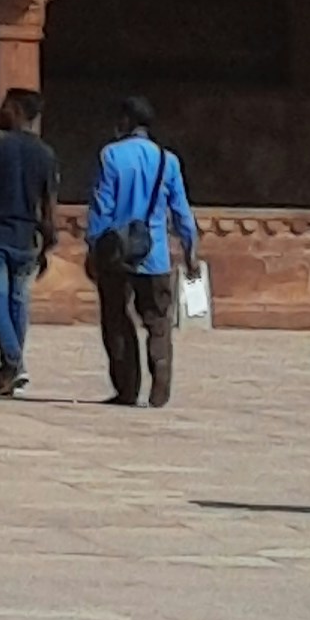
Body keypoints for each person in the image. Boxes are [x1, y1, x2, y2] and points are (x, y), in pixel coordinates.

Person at [83, 95, 200, 411]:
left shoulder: (110, 156)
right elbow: (181, 212)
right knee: (158, 321)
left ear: (125, 121)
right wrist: (190, 251)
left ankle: (126, 388)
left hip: (115, 253)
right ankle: (160, 382)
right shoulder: (168, 160)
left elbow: (101, 207)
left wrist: (93, 246)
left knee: (117, 320)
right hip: (155, 254)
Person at [0, 86, 59, 397]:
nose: (0, 111)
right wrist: (47, 245)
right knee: (17, 303)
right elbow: (49, 207)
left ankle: (14, 361)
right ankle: (8, 372)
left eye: (5, 106)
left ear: (17, 111)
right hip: (26, 239)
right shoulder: (45, 153)